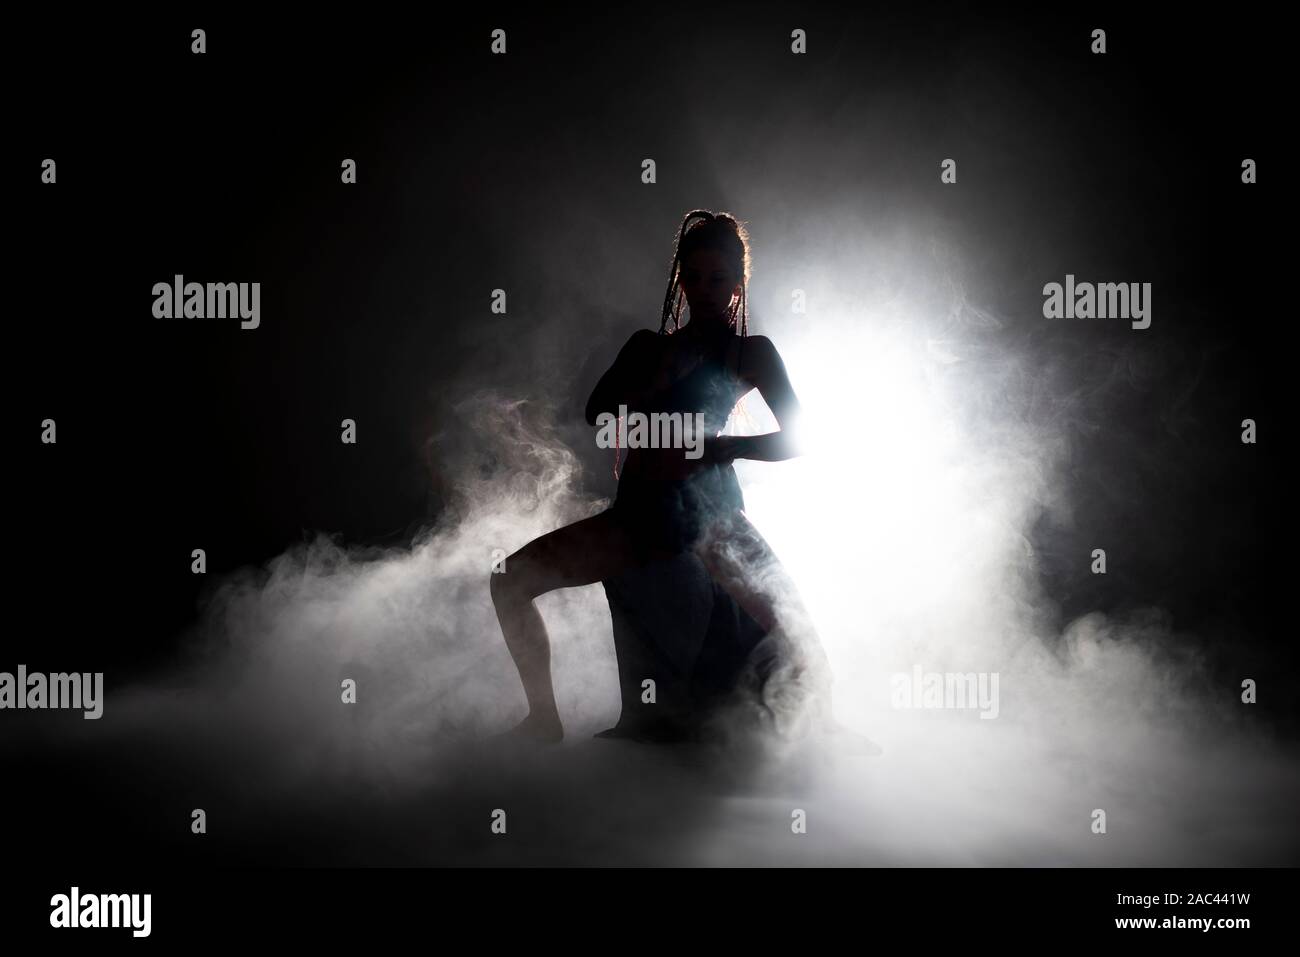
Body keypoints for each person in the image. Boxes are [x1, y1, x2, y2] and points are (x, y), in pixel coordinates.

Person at [490, 209, 868, 751]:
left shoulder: (750, 352)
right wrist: (653, 383)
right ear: (680, 279)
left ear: (738, 282)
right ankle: (542, 719)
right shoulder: (647, 345)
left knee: (795, 631)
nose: (704, 289)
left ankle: (817, 734)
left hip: (710, 517)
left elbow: (799, 438)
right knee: (508, 579)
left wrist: (726, 446)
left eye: (718, 278)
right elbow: (598, 410)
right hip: (639, 516)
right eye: (693, 277)